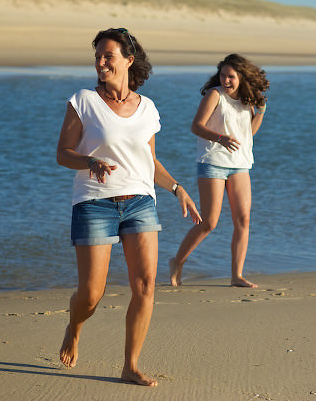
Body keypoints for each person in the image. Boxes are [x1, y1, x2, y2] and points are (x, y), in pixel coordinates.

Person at [56, 27, 201, 386]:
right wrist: (90, 161)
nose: (101, 62)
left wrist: (177, 188)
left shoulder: (147, 108)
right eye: (98, 56)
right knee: (90, 294)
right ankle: (74, 325)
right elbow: (63, 153)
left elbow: (149, 161)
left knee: (146, 286)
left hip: (139, 202)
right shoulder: (84, 101)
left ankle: (130, 365)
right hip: (94, 203)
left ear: (128, 60)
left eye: (109, 56)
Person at [169, 54, 268, 288]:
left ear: (241, 77)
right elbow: (197, 126)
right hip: (212, 161)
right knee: (209, 222)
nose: (226, 80)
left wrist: (261, 111)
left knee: (243, 219)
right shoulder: (215, 95)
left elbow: (249, 134)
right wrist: (220, 138)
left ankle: (236, 276)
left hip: (240, 163)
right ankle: (177, 261)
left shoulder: (247, 99)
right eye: (223, 75)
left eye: (231, 76)